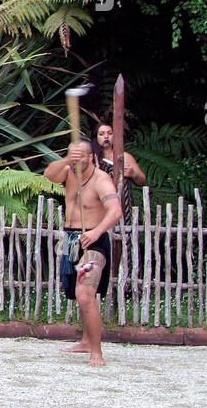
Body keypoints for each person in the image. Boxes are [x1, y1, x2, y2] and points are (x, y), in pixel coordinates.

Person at [44, 138, 122, 367]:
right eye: (72, 155)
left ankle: (96, 352)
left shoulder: (101, 180)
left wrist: (97, 232)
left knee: (85, 293)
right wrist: (69, 159)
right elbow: (49, 174)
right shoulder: (68, 173)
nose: (76, 160)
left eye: (80, 156)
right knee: (78, 295)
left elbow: (115, 211)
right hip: (71, 239)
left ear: (90, 157)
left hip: (93, 243)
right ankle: (86, 340)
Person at [95, 123, 146, 219]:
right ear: (96, 137)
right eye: (101, 134)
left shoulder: (124, 157)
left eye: (109, 133)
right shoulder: (91, 159)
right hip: (98, 208)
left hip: (123, 205)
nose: (106, 136)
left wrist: (133, 174)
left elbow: (142, 180)